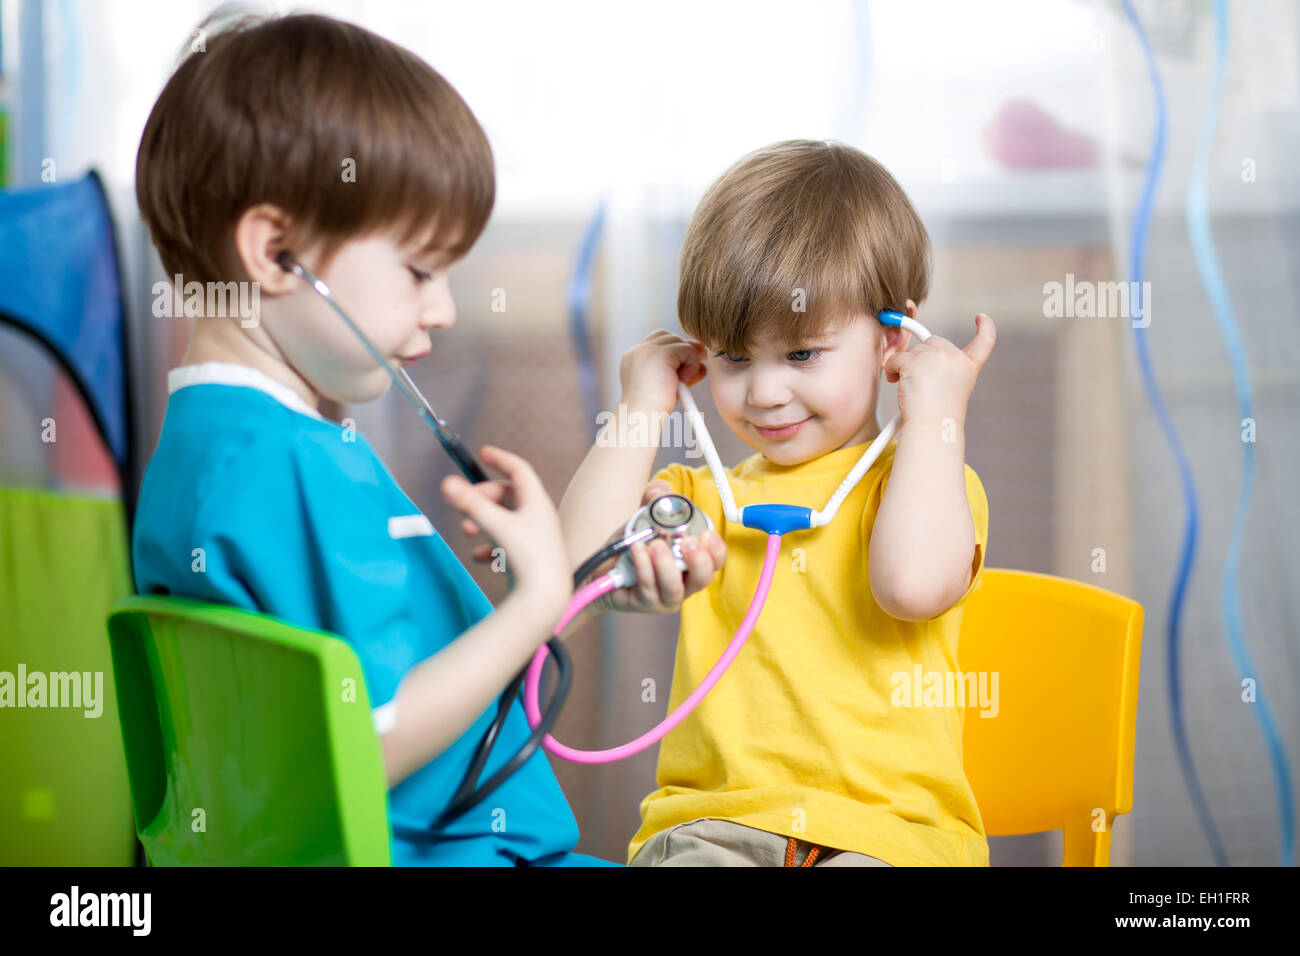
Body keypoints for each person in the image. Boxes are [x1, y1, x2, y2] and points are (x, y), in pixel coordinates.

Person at [130, 8, 723, 866]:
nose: (442, 309)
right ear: (273, 250)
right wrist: (531, 607)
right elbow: (358, 749)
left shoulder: (229, 442)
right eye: (419, 270)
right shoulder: (278, 468)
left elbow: (410, 672)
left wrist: (567, 584)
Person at [559, 140, 998, 866]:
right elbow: (575, 567)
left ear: (896, 338)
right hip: (713, 829)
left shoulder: (928, 481)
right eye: (733, 357)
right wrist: (642, 404)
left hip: (890, 840)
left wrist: (936, 414)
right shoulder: (700, 499)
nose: (762, 393)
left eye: (800, 355)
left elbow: (911, 585)